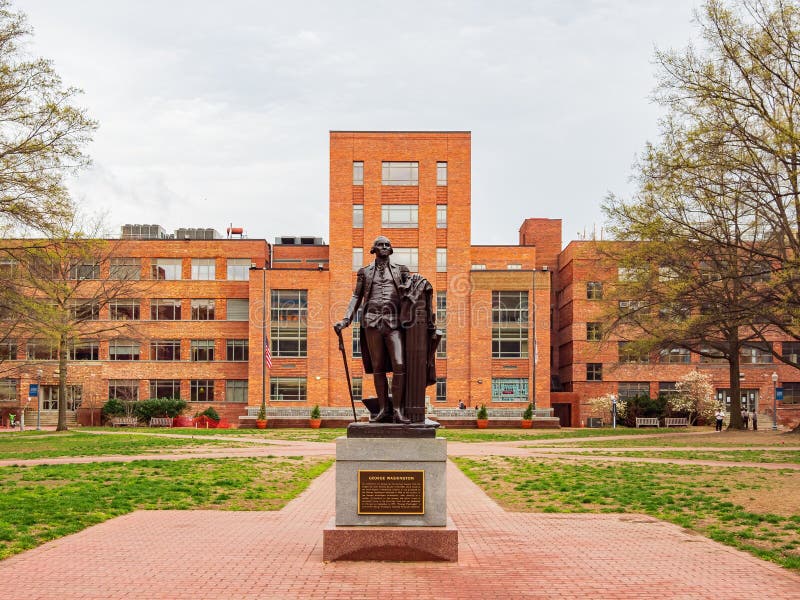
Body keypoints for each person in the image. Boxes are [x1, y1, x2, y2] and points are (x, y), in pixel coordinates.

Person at [335, 236, 415, 424]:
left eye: (388, 245)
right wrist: (346, 320)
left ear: (391, 249)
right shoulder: (365, 272)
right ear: (374, 249)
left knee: (400, 364)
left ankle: (397, 410)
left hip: (394, 323)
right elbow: (356, 296)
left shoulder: (401, 270)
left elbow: (412, 290)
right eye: (381, 245)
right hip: (372, 323)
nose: (385, 247)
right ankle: (383, 410)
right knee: (378, 367)